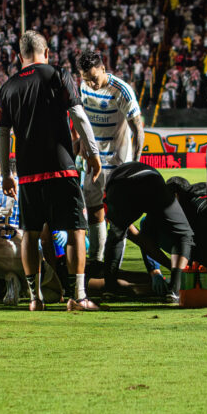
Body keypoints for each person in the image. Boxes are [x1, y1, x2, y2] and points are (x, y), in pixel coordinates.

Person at [0, 30, 103, 311]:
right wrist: (92, 153)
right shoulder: (58, 74)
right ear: (46, 53)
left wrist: (7, 173)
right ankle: (78, 297)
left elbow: (2, 134)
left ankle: (34, 299)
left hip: (28, 172)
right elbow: (78, 115)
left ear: (20, 57)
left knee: (30, 233)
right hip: (61, 167)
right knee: (75, 230)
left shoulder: (7, 88)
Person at [77, 49, 144, 273]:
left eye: (94, 79)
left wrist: (135, 163)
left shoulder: (122, 90)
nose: (92, 84)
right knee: (94, 210)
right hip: (93, 162)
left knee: (117, 216)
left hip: (117, 164)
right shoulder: (83, 85)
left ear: (103, 69)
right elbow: (81, 118)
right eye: (87, 79)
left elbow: (138, 128)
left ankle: (112, 267)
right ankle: (96, 261)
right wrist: (80, 147)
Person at [99, 161, 195, 303]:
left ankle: (109, 290)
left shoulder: (113, 192)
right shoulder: (158, 192)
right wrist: (173, 268)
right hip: (150, 181)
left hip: (117, 187)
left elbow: (133, 234)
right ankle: (175, 290)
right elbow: (142, 237)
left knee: (116, 236)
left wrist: (159, 268)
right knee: (184, 235)